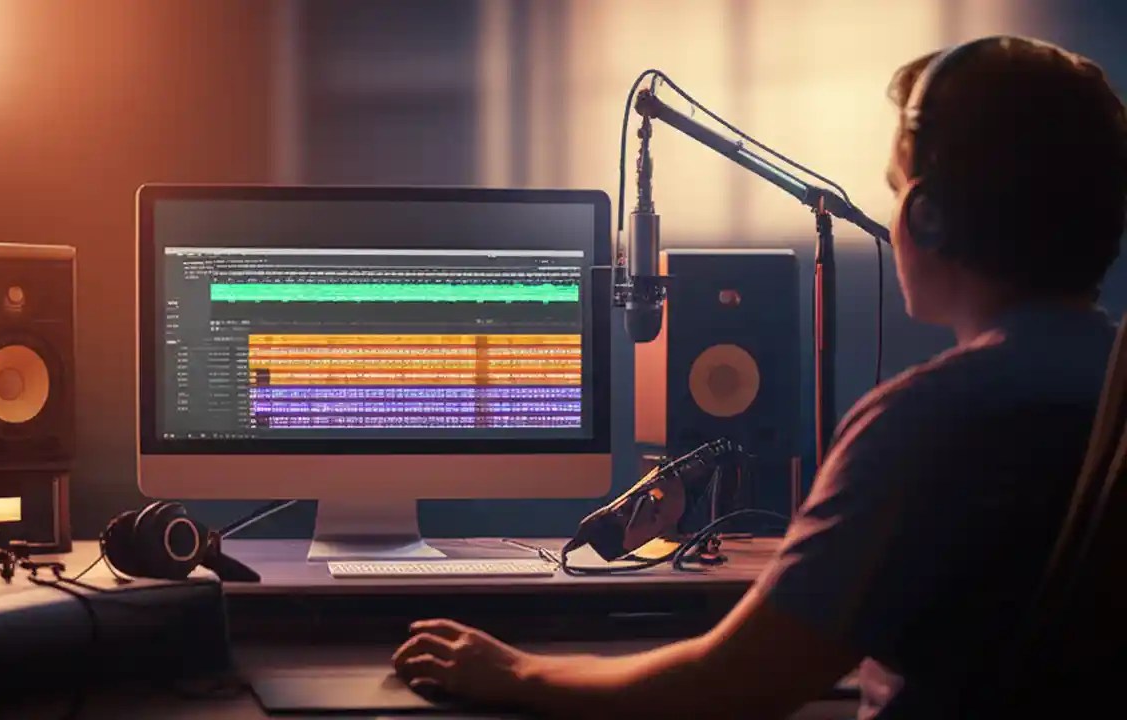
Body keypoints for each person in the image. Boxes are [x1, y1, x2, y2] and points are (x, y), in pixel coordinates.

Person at [392, 36, 1127, 719]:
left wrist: (518, 674)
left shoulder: (930, 421)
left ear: (928, 216)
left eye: (898, 188)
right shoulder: (1109, 389)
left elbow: (736, 682)